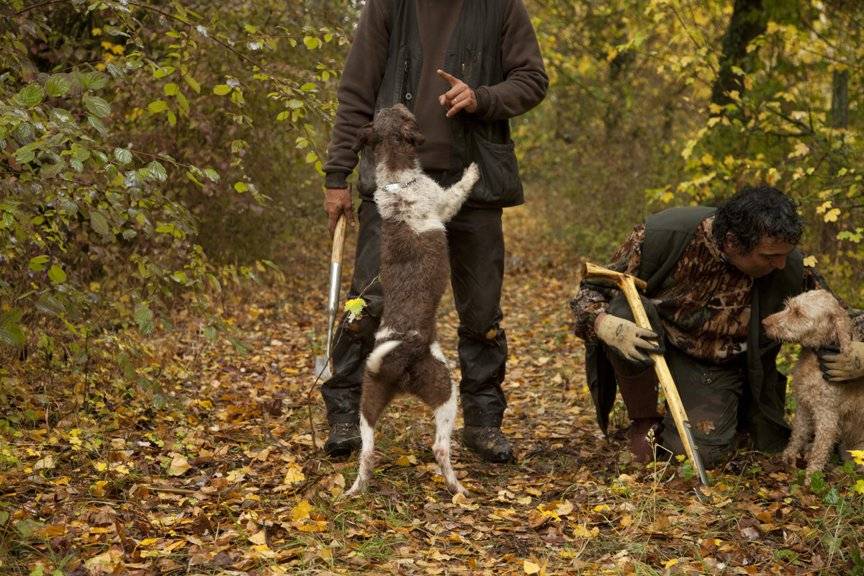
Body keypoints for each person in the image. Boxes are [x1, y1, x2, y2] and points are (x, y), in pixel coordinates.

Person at [320, 0, 548, 462]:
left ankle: (483, 423)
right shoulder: (388, 5)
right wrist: (336, 175)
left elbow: (532, 80)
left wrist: (482, 98)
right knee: (368, 299)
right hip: (395, 185)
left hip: (473, 184)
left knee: (481, 311)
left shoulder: (501, 6)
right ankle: (343, 412)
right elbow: (357, 91)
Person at [570, 186, 864, 466]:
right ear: (732, 242)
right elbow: (592, 290)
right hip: (650, 337)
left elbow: (839, 312)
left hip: (713, 364)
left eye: (785, 254)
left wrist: (861, 350)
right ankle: (643, 419)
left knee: (701, 453)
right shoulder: (666, 235)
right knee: (625, 309)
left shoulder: (787, 262)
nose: (779, 264)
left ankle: (717, 414)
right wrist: (603, 323)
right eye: (769, 257)